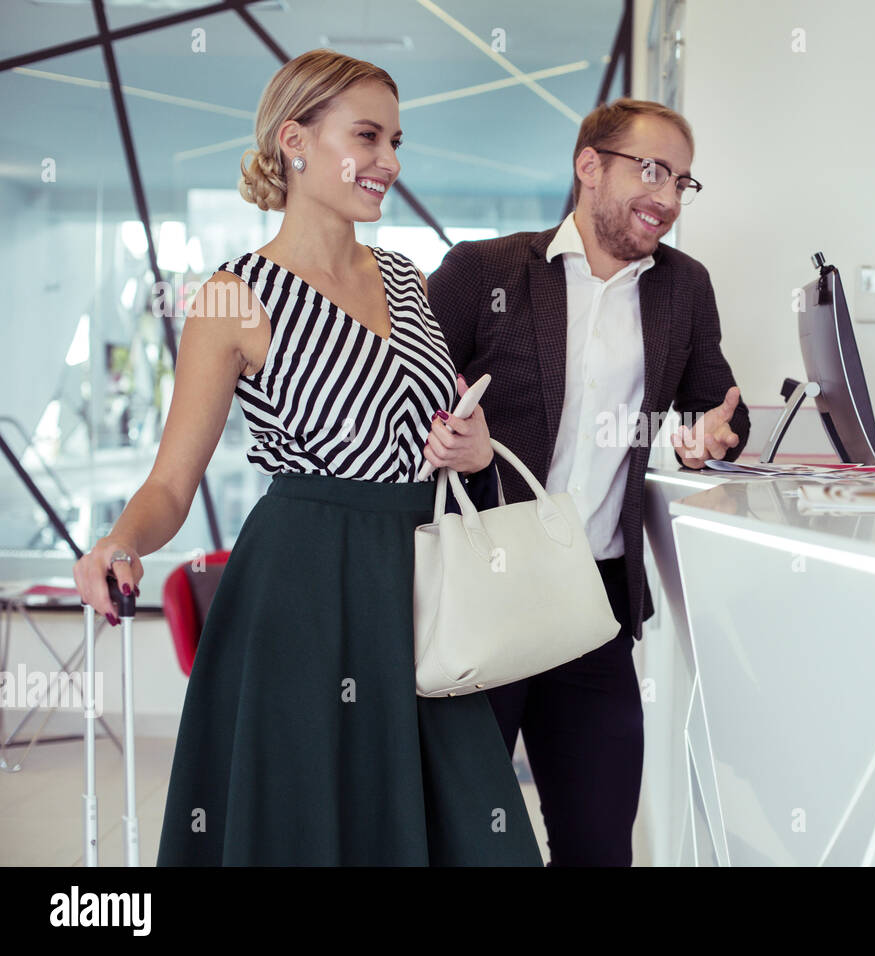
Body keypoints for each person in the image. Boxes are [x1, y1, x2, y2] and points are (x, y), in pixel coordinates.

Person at [71, 49, 542, 866]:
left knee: (471, 825)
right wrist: (120, 543)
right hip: (302, 588)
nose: (389, 162)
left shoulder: (406, 278)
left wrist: (467, 451)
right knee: (306, 825)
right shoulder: (231, 294)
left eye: (397, 140)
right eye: (368, 137)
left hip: (421, 583)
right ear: (295, 140)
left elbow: (439, 433)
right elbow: (172, 482)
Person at [426, 97, 750, 866]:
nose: (668, 198)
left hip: (595, 602)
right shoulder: (486, 270)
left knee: (599, 842)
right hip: (483, 584)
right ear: (588, 165)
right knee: (460, 837)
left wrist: (713, 437)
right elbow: (407, 406)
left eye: (682, 181)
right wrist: (453, 439)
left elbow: (721, 409)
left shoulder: (683, 287)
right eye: (651, 171)